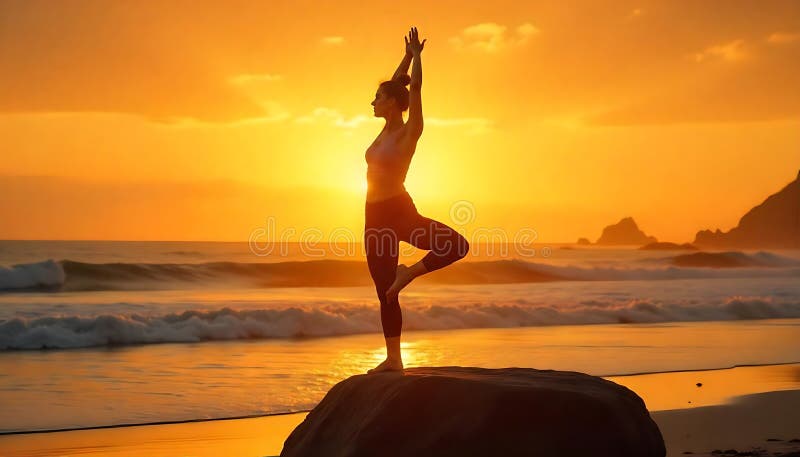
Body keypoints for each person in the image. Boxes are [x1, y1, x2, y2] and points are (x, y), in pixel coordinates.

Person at [364, 27, 470, 374]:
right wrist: (406, 56)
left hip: (400, 211)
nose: (373, 102)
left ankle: (409, 272)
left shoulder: (409, 133)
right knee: (385, 291)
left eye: (377, 97)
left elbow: (414, 88)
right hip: (373, 217)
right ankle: (394, 358)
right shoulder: (383, 131)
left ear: (392, 103)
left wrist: (419, 58)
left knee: (457, 245)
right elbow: (398, 83)